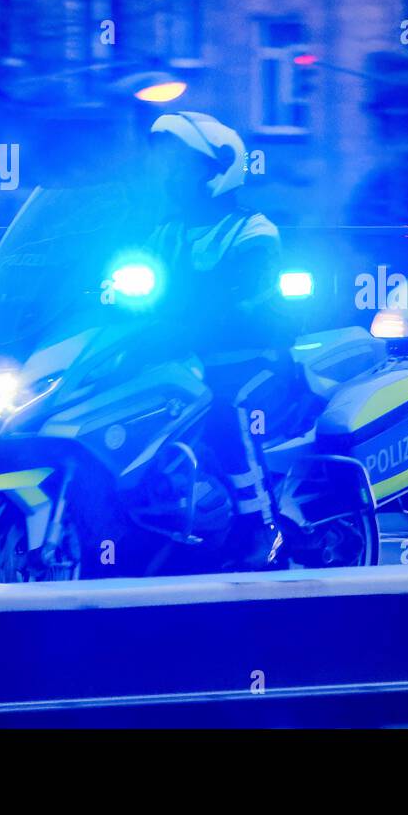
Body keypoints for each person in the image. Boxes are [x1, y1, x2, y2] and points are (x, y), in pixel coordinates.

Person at [146, 111, 291, 567]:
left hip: (251, 361)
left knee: (225, 407)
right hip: (182, 361)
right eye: (168, 166)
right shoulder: (163, 232)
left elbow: (246, 300)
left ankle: (261, 526)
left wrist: (199, 316)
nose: (170, 176)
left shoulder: (253, 230)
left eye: (183, 166)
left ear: (217, 170)